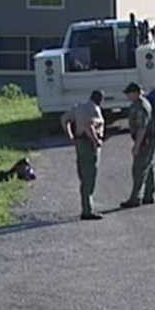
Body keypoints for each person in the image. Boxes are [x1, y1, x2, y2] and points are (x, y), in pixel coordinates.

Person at [59, 91, 106, 220]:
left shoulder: (78, 107)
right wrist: (96, 141)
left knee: (83, 174)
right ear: (100, 100)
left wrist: (70, 135)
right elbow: (89, 126)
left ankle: (87, 207)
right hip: (88, 144)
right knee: (89, 176)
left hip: (80, 142)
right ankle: (87, 210)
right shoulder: (94, 109)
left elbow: (64, 119)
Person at [120, 82, 155, 208]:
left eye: (128, 93)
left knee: (139, 169)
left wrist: (136, 146)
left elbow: (142, 128)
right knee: (148, 166)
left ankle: (135, 198)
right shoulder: (143, 103)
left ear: (135, 93)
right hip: (149, 140)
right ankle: (149, 195)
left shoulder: (141, 106)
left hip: (144, 141)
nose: (127, 96)